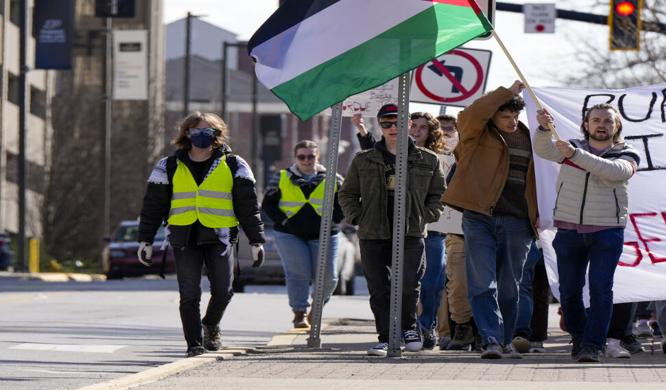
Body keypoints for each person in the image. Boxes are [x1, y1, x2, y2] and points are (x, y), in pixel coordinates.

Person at [136, 112, 266, 357]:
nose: (202, 135)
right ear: (186, 133)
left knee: (223, 290)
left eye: (209, 131)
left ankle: (210, 324)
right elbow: (153, 206)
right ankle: (194, 344)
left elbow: (248, 205)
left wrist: (257, 240)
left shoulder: (235, 164)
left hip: (221, 236)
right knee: (189, 293)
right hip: (184, 235)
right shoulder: (168, 165)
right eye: (197, 131)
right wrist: (146, 240)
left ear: (218, 135)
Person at [532, 102, 640, 362]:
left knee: (601, 290)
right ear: (586, 124)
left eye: (608, 121)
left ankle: (593, 344)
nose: (602, 125)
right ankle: (580, 337)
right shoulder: (571, 146)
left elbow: (615, 172)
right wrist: (544, 129)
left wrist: (575, 155)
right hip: (569, 230)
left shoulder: (626, 152)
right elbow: (543, 149)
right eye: (596, 120)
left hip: (607, 231)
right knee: (568, 292)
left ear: (617, 127)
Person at [337, 103, 447, 356]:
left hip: (411, 230)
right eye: (386, 124)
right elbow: (347, 193)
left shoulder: (426, 159)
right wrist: (357, 216)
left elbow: (438, 194)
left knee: (409, 284)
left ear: (408, 124)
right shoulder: (364, 159)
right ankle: (385, 337)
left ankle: (409, 328)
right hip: (373, 231)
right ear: (380, 126)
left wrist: (426, 216)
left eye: (398, 122)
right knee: (379, 288)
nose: (392, 128)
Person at [444, 81, 540, 360]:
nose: (511, 122)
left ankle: (507, 339)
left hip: (519, 221)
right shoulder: (476, 134)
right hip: (480, 217)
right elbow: (469, 114)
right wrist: (507, 92)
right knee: (483, 283)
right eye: (505, 116)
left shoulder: (532, 137)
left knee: (510, 287)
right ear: (493, 116)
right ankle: (491, 340)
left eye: (515, 116)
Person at [260, 140, 344, 330]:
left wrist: (333, 220)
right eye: (302, 157)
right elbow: (268, 204)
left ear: (318, 157)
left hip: (325, 234)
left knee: (329, 277)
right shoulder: (281, 177)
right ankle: (299, 313)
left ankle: (317, 308)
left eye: (311, 156)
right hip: (290, 234)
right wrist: (284, 221)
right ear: (295, 157)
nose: (307, 160)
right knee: (298, 273)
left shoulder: (334, 178)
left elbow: (346, 202)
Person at [408, 111, 454, 350]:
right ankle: (410, 328)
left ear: (431, 131)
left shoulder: (445, 158)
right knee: (407, 282)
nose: (416, 131)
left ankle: (427, 324)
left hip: (435, 228)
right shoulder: (397, 155)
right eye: (413, 126)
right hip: (405, 229)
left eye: (422, 127)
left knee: (433, 282)